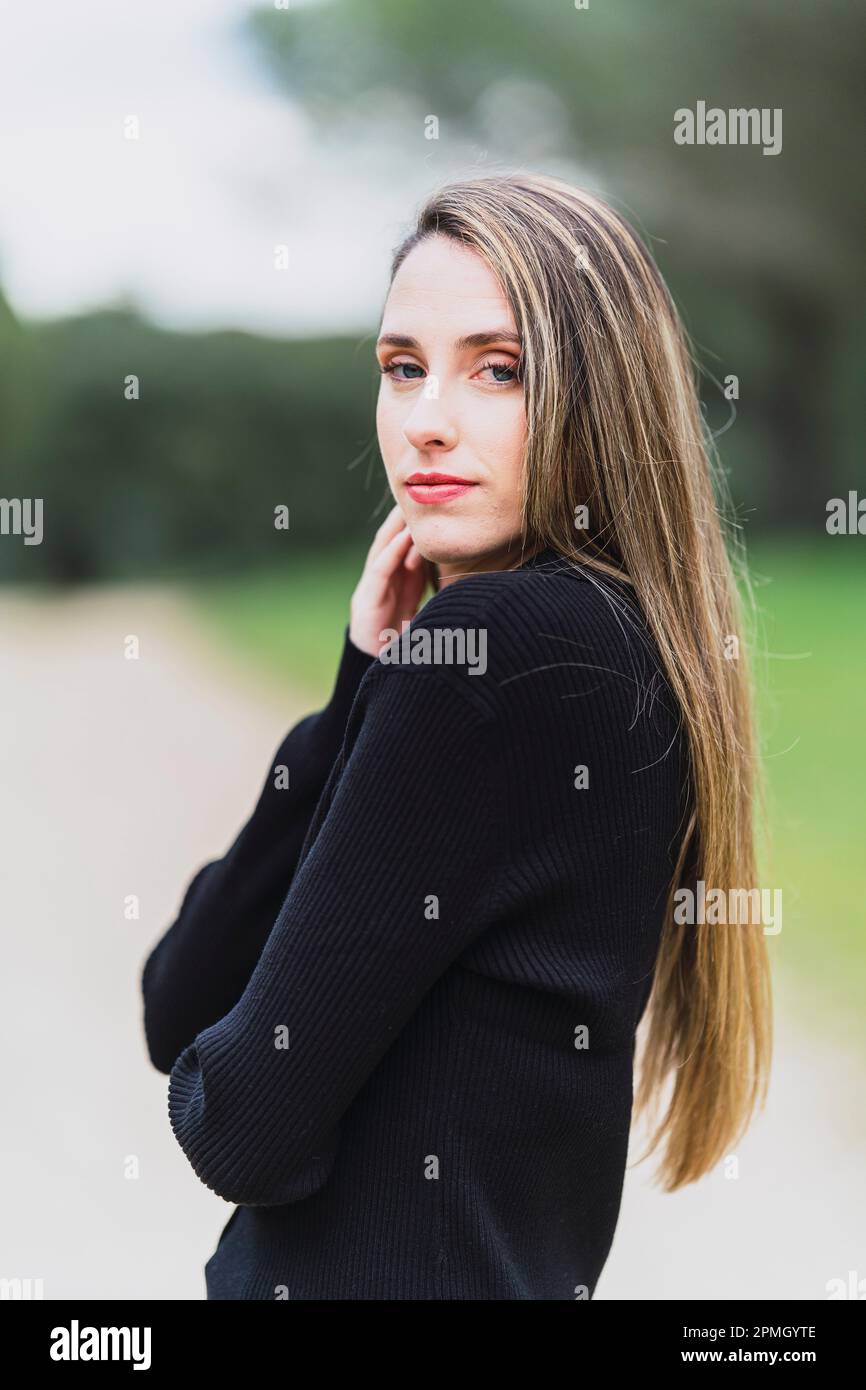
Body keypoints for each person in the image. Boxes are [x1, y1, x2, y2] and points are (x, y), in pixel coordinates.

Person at [141, 172, 772, 1300]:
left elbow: (238, 1121)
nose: (428, 416)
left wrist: (379, 692)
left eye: (498, 368)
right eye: (401, 368)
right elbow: (180, 1006)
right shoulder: (623, 645)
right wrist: (361, 687)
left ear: (597, 391)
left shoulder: (499, 652)